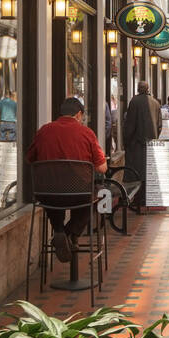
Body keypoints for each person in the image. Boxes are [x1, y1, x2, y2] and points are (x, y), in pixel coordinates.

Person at [27, 97, 107, 263]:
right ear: (78, 114)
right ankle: (69, 233)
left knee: (54, 193)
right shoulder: (87, 133)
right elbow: (101, 168)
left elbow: (29, 159)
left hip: (47, 195)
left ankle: (58, 231)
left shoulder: (44, 131)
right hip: (79, 195)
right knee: (95, 196)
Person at [123, 81, 161, 209]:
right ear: (148, 89)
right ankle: (147, 197)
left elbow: (130, 124)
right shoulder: (155, 103)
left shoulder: (134, 102)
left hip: (136, 143)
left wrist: (126, 140)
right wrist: (154, 137)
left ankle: (138, 198)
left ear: (138, 89)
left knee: (137, 172)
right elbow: (159, 125)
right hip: (151, 142)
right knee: (148, 171)